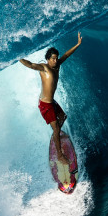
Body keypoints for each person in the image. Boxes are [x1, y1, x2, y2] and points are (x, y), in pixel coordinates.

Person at [20, 33, 82, 170]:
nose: (55, 60)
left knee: (63, 117)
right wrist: (17, 57)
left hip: (51, 101)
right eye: (53, 59)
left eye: (56, 58)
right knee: (56, 128)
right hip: (45, 104)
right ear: (47, 59)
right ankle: (60, 155)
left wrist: (77, 44)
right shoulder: (44, 67)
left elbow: (66, 55)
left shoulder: (57, 65)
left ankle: (56, 134)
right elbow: (30, 65)